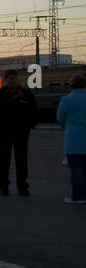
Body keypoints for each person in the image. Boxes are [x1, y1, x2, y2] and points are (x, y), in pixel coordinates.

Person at [0, 69, 39, 196]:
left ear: (18, 79)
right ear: (5, 80)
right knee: (4, 160)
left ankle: (22, 186)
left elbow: (35, 112)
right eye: (10, 78)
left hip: (21, 133)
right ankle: (3, 186)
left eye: (15, 78)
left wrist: (29, 126)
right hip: (4, 133)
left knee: (21, 160)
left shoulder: (27, 95)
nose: (13, 80)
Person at [56, 74, 86, 204]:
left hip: (74, 139)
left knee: (76, 168)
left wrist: (67, 126)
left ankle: (79, 196)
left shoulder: (66, 100)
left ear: (71, 86)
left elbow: (60, 118)